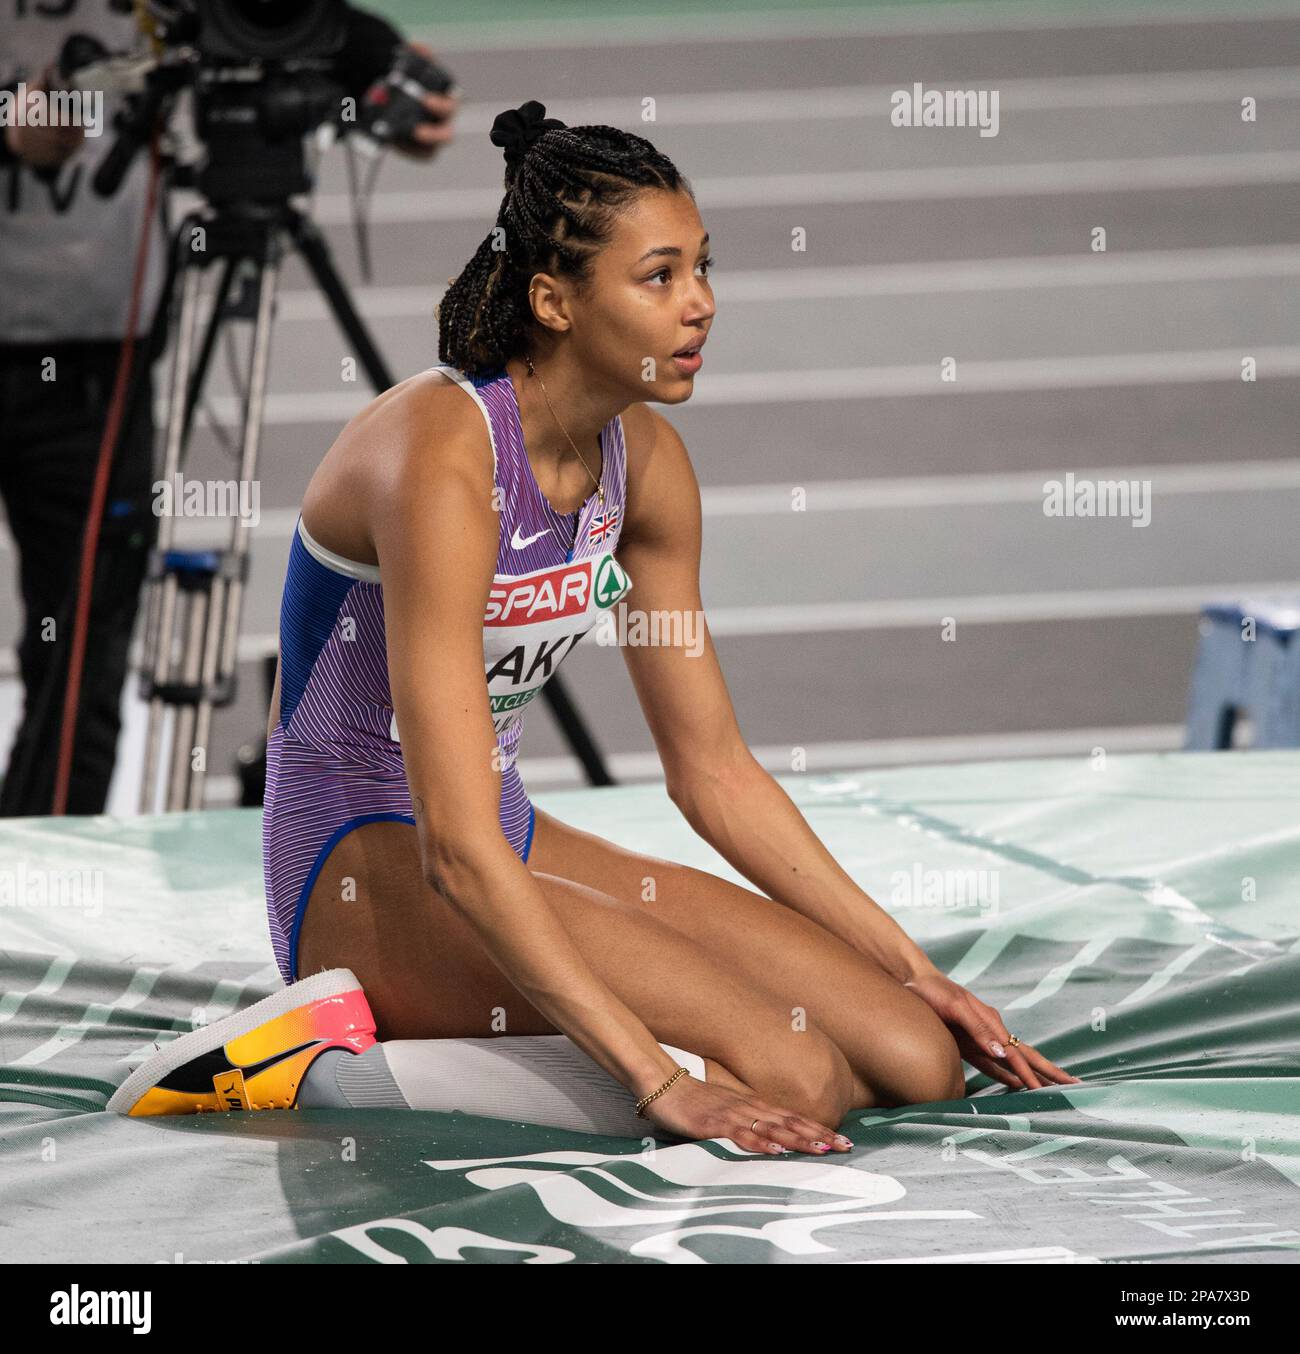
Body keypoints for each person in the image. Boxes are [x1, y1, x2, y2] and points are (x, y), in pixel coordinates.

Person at [110, 100, 1081, 1152]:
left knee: (917, 1059)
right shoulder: (442, 459)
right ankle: (311, 1065)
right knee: (798, 1078)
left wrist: (916, 971)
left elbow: (714, 773)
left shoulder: (646, 465)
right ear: (554, 301)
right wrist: (661, 1084)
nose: (700, 304)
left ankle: (602, 1047)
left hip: (506, 835)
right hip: (365, 866)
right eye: (659, 277)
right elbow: (454, 846)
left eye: (703, 268)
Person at [0, 4, 458, 816]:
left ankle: (43, 866)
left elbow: (274, 23)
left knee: (82, 653)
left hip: (97, 365)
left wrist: (389, 80)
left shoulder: (156, 10)